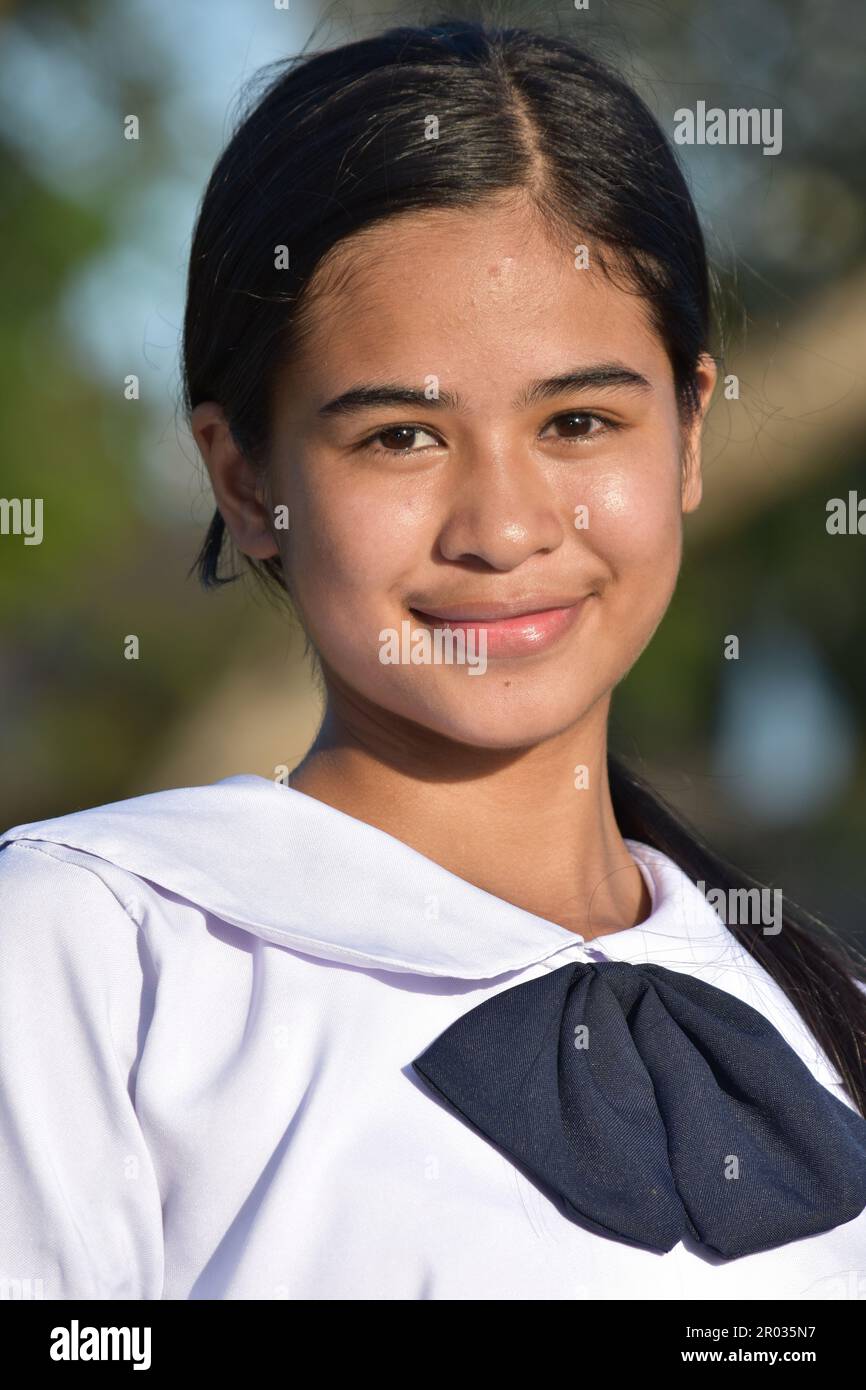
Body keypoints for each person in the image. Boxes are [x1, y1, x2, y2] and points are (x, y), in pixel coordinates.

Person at [1, 18, 864, 1302]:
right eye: (400, 436)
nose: (505, 528)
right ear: (245, 480)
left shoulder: (825, 1004)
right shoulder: (92, 949)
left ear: (686, 432)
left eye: (578, 421)